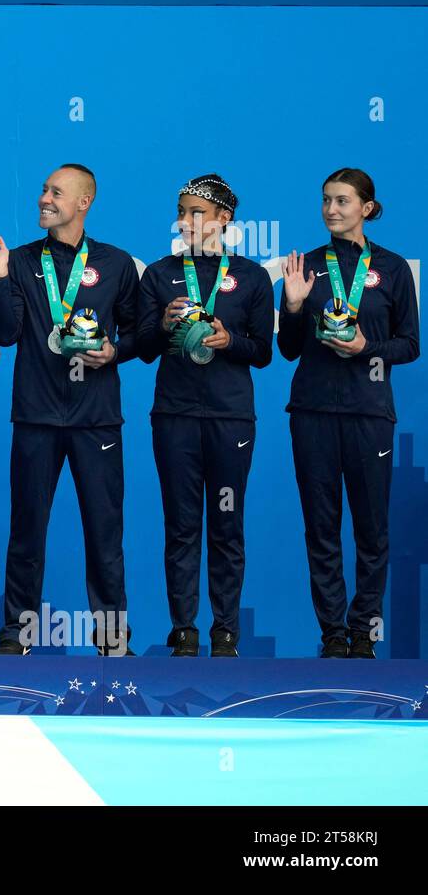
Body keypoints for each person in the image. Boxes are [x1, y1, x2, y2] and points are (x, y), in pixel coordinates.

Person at [0, 163, 139, 656]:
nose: (43, 198)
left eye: (55, 192)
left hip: (97, 419)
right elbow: (3, 335)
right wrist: (0, 276)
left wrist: (114, 351)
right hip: (37, 417)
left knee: (105, 535)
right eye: (44, 189)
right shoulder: (21, 261)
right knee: (27, 532)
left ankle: (112, 642)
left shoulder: (115, 264)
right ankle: (15, 637)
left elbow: (140, 334)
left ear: (83, 202)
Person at [279, 168, 419, 658]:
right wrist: (294, 307)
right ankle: (333, 634)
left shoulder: (394, 268)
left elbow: (409, 346)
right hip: (312, 412)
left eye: (342, 201)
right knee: (321, 526)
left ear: (367, 208)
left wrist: (364, 346)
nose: (331, 210)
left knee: (371, 528)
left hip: (370, 413)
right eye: (325, 201)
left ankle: (364, 631)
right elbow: (287, 349)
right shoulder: (304, 267)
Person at [136, 174, 273, 657]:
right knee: (181, 524)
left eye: (196, 212)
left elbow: (262, 352)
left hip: (231, 419)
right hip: (174, 415)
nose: (185, 221)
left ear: (223, 220)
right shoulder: (158, 274)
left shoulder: (252, 278)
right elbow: (143, 349)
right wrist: (164, 324)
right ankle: (184, 630)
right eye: (181, 210)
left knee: (227, 523)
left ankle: (226, 631)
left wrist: (228, 340)